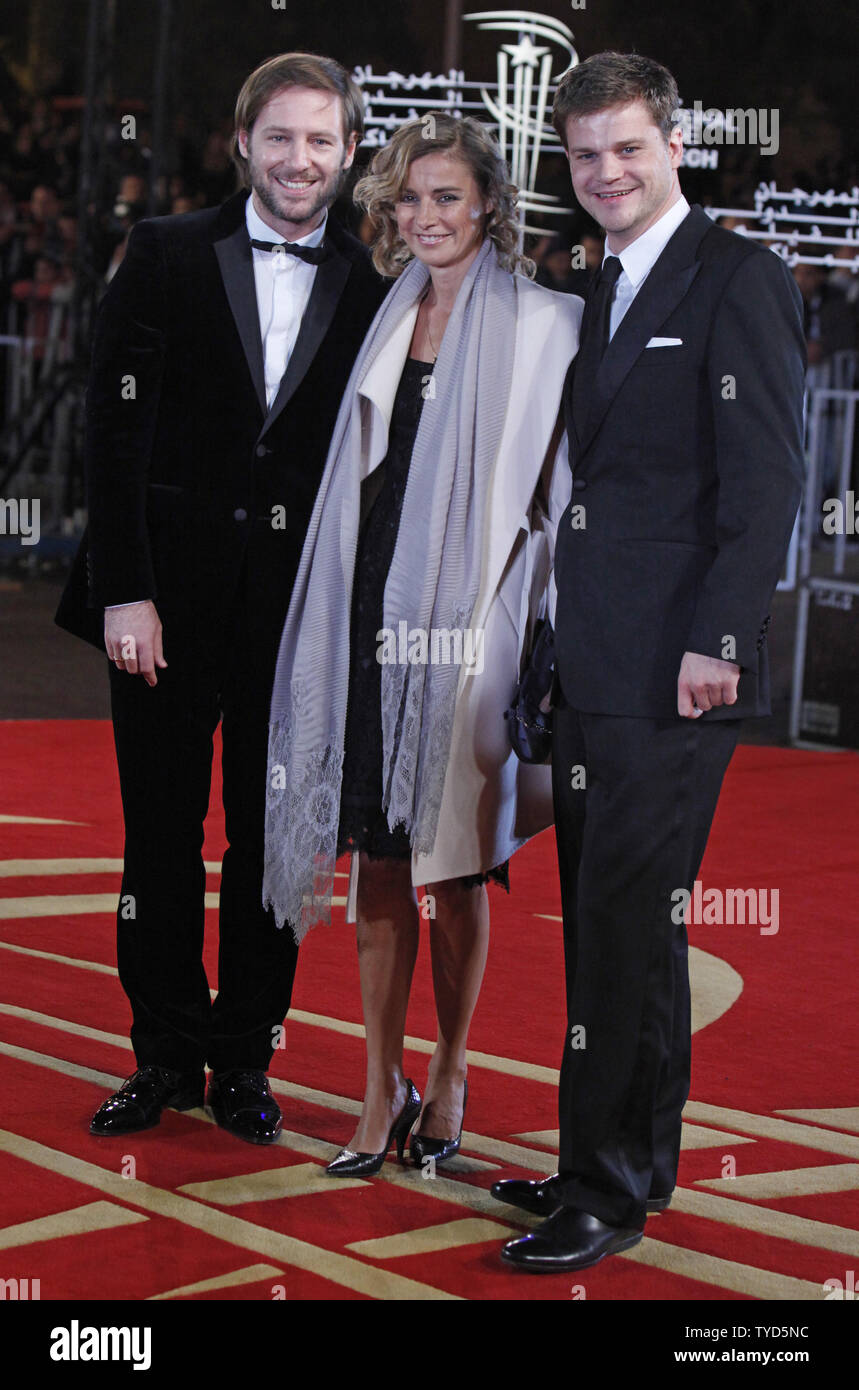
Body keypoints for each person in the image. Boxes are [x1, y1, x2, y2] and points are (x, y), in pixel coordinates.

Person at [494, 51, 806, 1271]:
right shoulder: (591, 279)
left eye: (627, 147)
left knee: (624, 926)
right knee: (625, 924)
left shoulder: (739, 277)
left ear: (673, 144)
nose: (606, 172)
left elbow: (770, 475)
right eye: (584, 155)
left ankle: (606, 1189)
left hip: (676, 668)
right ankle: (623, 1162)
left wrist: (717, 643)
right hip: (592, 657)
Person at [54, 53, 387, 1144]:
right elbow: (112, 429)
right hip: (163, 606)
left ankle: (244, 1057)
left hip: (295, 617)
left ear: (347, 153)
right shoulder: (163, 251)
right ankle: (161, 1056)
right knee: (159, 835)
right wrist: (125, 592)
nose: (301, 160)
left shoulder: (372, 277)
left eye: (322, 141)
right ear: (242, 142)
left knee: (270, 843)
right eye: (281, 137)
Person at [263, 114, 581, 1175]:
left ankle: (447, 1070)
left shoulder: (547, 323)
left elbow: (560, 498)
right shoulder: (384, 317)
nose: (426, 216)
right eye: (409, 199)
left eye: (446, 196)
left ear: (488, 203)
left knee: (452, 864)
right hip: (369, 619)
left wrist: (525, 616)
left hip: (467, 631)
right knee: (381, 868)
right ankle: (375, 1086)